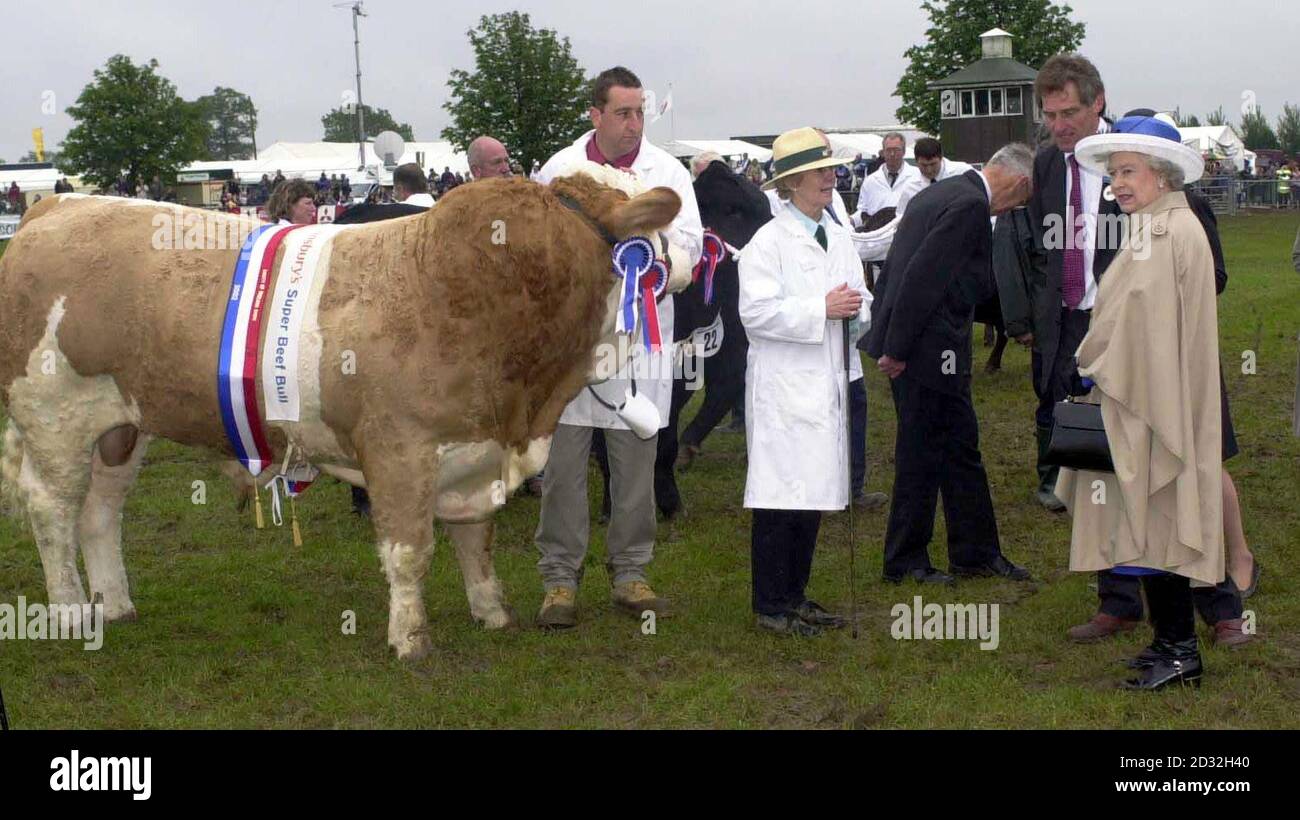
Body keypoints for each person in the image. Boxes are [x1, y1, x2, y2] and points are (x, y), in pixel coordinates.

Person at [531, 65, 702, 629]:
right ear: (596, 114)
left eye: (639, 113)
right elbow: (536, 250)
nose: (634, 124)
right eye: (623, 113)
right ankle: (559, 579)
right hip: (573, 345)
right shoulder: (560, 170)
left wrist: (650, 260)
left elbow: (691, 248)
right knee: (563, 466)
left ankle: (631, 570)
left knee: (635, 462)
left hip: (640, 342)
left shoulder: (668, 172)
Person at [1058, 115, 1223, 689]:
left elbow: (1135, 328)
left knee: (1158, 521)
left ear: (1160, 174)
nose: (1117, 184)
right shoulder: (1162, 225)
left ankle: (1179, 652)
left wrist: (1088, 364)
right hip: (1155, 396)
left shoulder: (1163, 233)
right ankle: (1168, 642)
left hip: (1150, 401)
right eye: (1114, 174)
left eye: (1127, 172)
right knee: (1155, 523)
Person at [863, 143, 1035, 586]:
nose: (1018, 207)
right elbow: (922, 278)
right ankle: (904, 561)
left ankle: (975, 551)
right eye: (1024, 199)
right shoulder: (970, 206)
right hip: (926, 349)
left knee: (960, 448)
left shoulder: (944, 192)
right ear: (1019, 183)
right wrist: (896, 350)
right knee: (921, 454)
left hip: (931, 346)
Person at [740, 126, 871, 635]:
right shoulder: (767, 243)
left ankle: (796, 593)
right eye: (820, 171)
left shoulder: (837, 235)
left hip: (828, 381)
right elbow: (756, 313)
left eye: (831, 169)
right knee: (780, 494)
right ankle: (770, 602)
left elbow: (859, 294)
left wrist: (858, 312)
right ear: (791, 183)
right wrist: (821, 309)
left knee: (814, 488)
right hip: (784, 386)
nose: (830, 177)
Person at [855, 132, 919, 224]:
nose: (892, 154)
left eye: (896, 150)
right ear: (883, 152)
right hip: (877, 234)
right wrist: (851, 220)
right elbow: (862, 211)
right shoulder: (870, 181)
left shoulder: (917, 177)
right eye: (888, 150)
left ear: (904, 151)